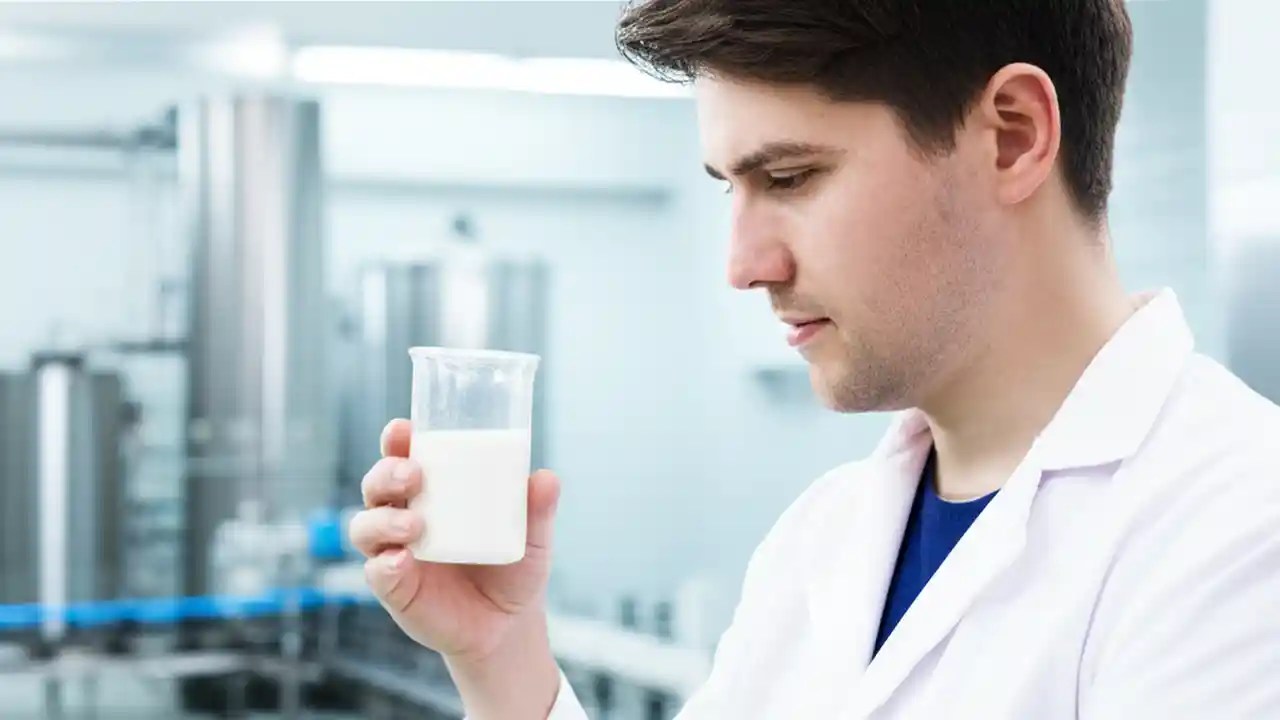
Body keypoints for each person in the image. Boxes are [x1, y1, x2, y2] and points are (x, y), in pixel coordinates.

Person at [348, 1, 1280, 717]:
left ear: (1012, 135)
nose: (744, 265)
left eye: (789, 178)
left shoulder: (1238, 532)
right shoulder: (819, 541)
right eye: (730, 189)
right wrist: (503, 663)